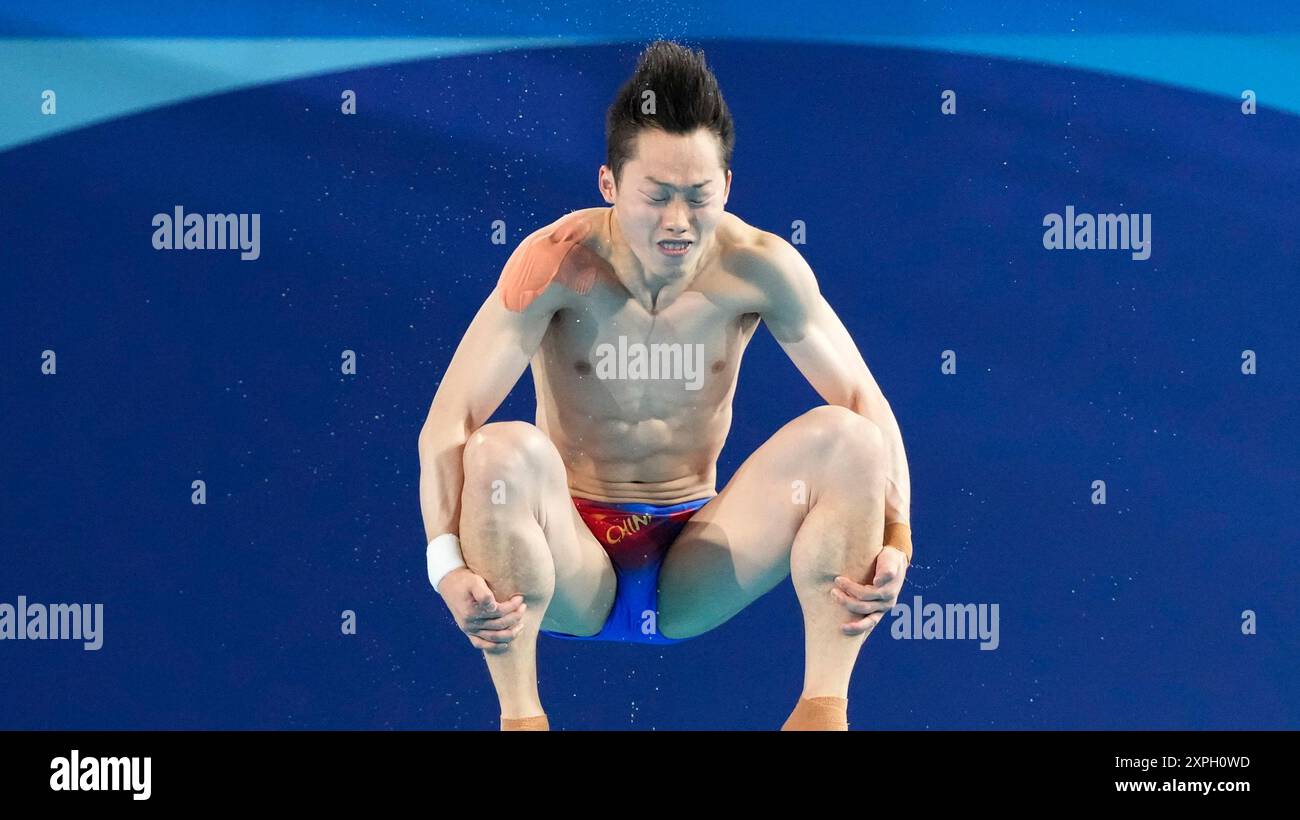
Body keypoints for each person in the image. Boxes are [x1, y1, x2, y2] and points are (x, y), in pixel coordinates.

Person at [417, 40, 913, 731]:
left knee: (853, 441)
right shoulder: (555, 266)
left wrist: (898, 537)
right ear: (609, 185)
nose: (678, 222)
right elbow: (448, 423)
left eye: (698, 197)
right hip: (564, 560)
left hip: (696, 563)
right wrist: (447, 568)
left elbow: (867, 400)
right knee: (501, 451)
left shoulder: (760, 268)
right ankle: (521, 717)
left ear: (727, 189)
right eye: (656, 197)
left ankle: (822, 711)